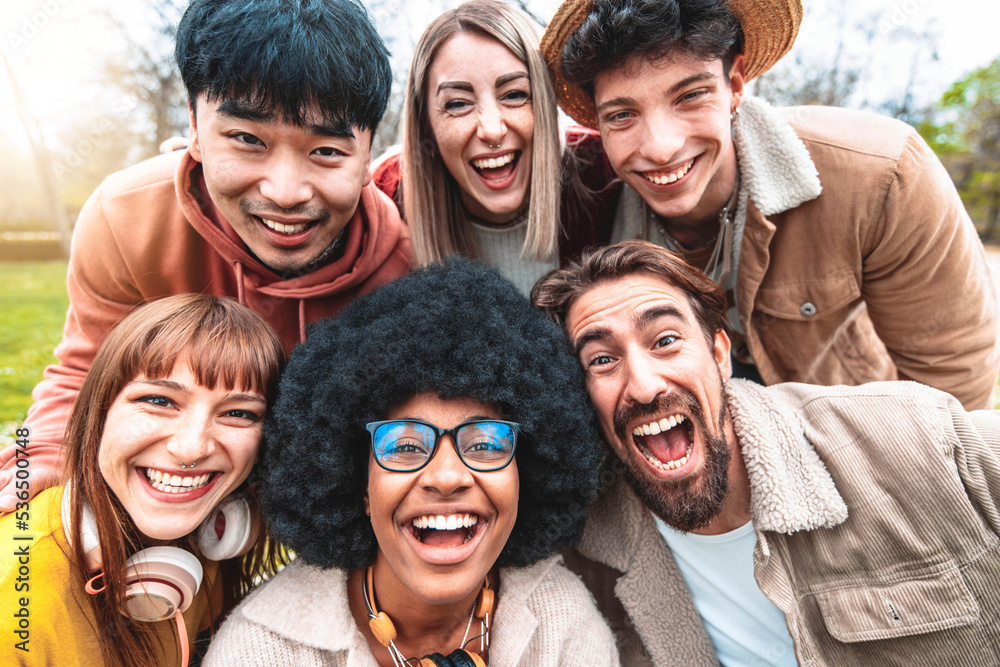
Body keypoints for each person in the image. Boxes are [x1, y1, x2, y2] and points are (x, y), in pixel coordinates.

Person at [0, 0, 412, 512]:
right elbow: (85, 370)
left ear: (368, 151)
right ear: (194, 126)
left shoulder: (410, 269)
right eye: (246, 139)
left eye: (326, 150)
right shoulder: (124, 217)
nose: (285, 192)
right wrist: (35, 455)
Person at [532, 240, 1000, 665]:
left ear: (719, 354)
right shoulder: (584, 548)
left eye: (666, 341)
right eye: (602, 360)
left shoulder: (913, 435)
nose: (645, 386)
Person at [539, 0, 999, 408]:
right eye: (622, 115)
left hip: (863, 443)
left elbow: (954, 380)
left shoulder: (882, 175)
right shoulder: (593, 221)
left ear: (735, 83)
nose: (660, 147)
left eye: (691, 96)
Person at [204, 259, 619, 666]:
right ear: (358, 484)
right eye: (404, 447)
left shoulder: (561, 623)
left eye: (485, 443)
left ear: (524, 476)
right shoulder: (260, 651)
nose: (446, 477)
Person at [0, 294, 287, 667]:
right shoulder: (15, 601)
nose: (192, 448)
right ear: (99, 410)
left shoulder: (209, 541)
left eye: (238, 412)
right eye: (159, 400)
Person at [373, 0, 617, 295]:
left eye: (514, 95)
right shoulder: (386, 197)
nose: (492, 130)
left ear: (544, 102)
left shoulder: (603, 169)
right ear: (426, 125)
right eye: (458, 104)